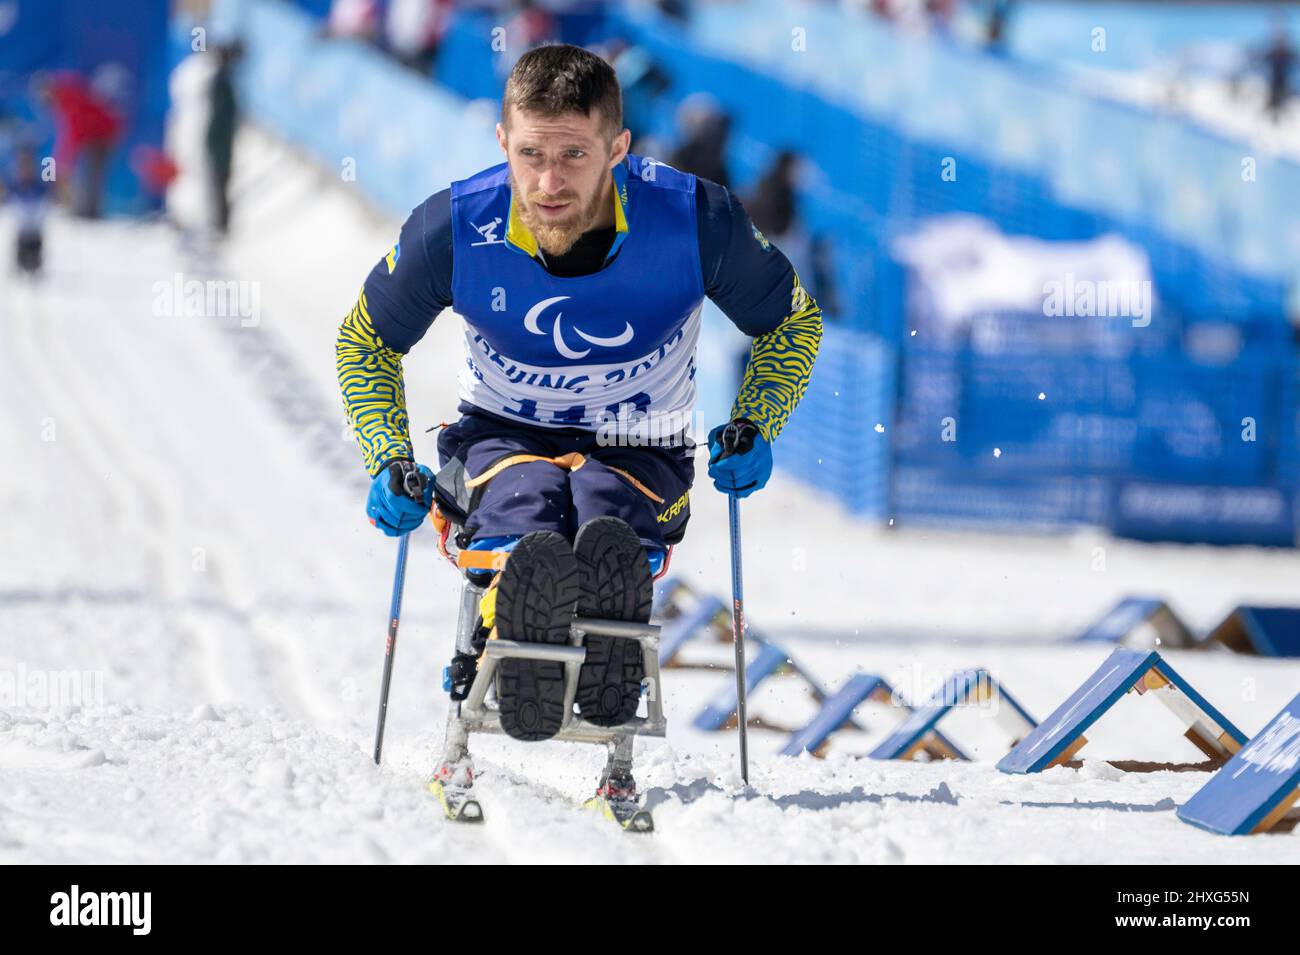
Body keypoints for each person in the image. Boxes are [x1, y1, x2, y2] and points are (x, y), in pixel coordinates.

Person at [335, 44, 822, 756]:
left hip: (641, 440)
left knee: (605, 515)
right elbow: (365, 342)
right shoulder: (455, 227)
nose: (548, 181)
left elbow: (790, 320)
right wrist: (387, 457)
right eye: (530, 154)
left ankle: (605, 655)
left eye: (574, 156)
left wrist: (757, 421)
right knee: (526, 501)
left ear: (618, 147)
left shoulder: (692, 218)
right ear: (503, 141)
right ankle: (518, 633)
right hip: (501, 433)